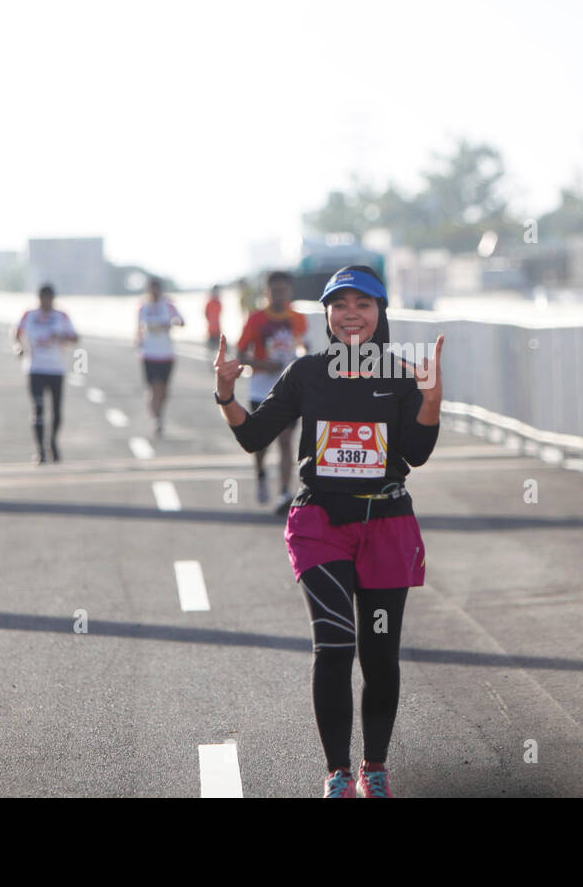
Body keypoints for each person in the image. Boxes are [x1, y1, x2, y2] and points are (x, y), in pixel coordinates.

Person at [214, 265, 444, 798]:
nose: (351, 315)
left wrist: (431, 400)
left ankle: (374, 768)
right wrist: (226, 395)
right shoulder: (307, 374)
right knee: (336, 645)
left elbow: (417, 453)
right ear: (326, 316)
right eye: (339, 305)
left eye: (363, 304)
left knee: (379, 655)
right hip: (320, 525)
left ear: (381, 312)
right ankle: (337, 773)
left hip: (386, 525)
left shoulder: (402, 375)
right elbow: (254, 437)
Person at [236, 271, 309, 509]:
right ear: (267, 292)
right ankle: (261, 474)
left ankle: (285, 492)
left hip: (289, 388)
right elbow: (240, 354)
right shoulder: (256, 319)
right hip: (261, 389)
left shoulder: (298, 318)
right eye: (274, 291)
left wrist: (301, 357)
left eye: (283, 290)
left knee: (286, 440)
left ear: (290, 291)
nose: (279, 295)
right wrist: (263, 364)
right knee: (260, 443)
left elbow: (304, 346)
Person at [13, 284, 78, 463]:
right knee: (38, 409)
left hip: (56, 369)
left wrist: (60, 337)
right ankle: (40, 450)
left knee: (57, 412)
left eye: (49, 298)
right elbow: (16, 333)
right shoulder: (29, 315)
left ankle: (53, 443)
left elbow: (75, 337)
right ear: (39, 298)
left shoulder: (61, 316)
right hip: (35, 368)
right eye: (44, 298)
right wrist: (18, 347)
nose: (46, 302)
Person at [135, 277, 184, 438]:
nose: (155, 292)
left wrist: (171, 324)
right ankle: (157, 418)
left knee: (163, 390)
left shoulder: (168, 305)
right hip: (149, 354)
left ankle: (158, 412)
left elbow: (181, 321)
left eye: (157, 288)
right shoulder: (143, 306)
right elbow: (138, 328)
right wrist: (138, 344)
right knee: (154, 387)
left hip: (166, 354)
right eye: (152, 289)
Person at [205, 284, 223, 354]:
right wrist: (211, 322)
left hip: (218, 329)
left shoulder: (219, 303)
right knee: (211, 350)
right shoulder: (209, 303)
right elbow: (206, 314)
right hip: (211, 330)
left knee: (219, 349)